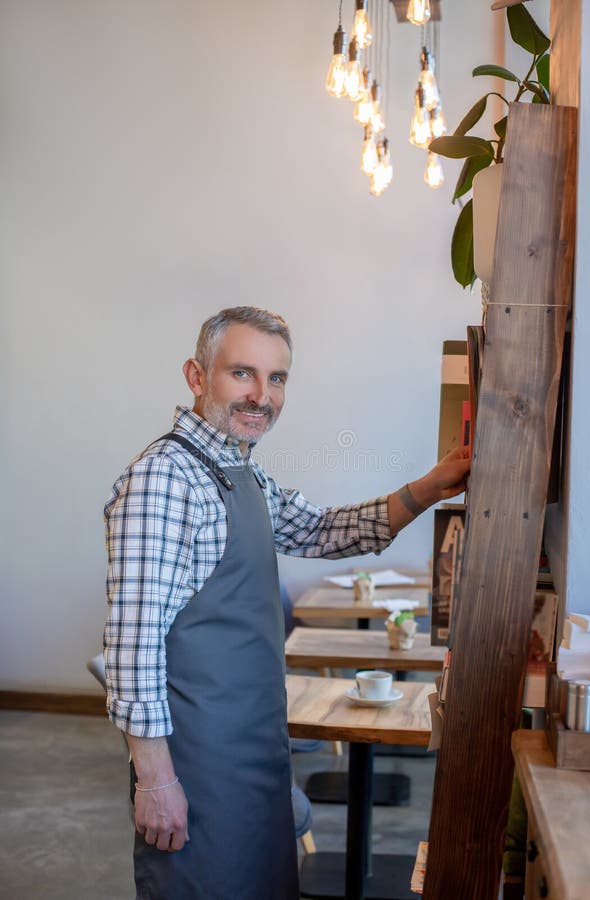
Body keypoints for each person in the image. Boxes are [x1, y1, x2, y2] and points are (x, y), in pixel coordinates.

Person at [103, 306, 470, 900]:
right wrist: (155, 779)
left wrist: (427, 489)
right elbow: (133, 645)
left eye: (277, 379)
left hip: (256, 749)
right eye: (242, 373)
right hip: (198, 763)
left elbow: (322, 531)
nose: (261, 396)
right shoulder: (164, 479)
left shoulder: (239, 470)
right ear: (197, 376)